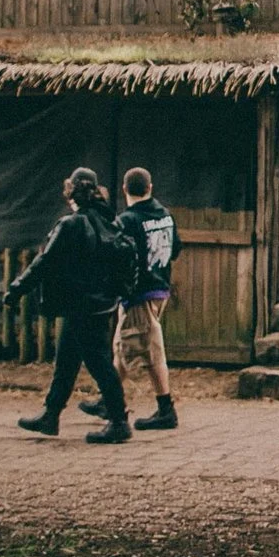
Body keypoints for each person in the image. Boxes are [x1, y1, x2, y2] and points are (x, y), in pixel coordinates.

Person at [5, 167, 133, 444]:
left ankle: (119, 421)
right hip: (102, 304)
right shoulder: (111, 222)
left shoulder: (71, 225)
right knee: (67, 360)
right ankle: (51, 415)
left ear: (71, 191)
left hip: (80, 305)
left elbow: (44, 262)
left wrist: (17, 288)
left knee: (99, 364)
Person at [94, 167, 178, 432]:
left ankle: (166, 410)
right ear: (150, 187)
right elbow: (175, 249)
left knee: (145, 350)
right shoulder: (165, 215)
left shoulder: (128, 220)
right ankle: (108, 399)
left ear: (124, 189)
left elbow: (119, 255)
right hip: (160, 286)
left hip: (139, 293)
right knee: (124, 346)